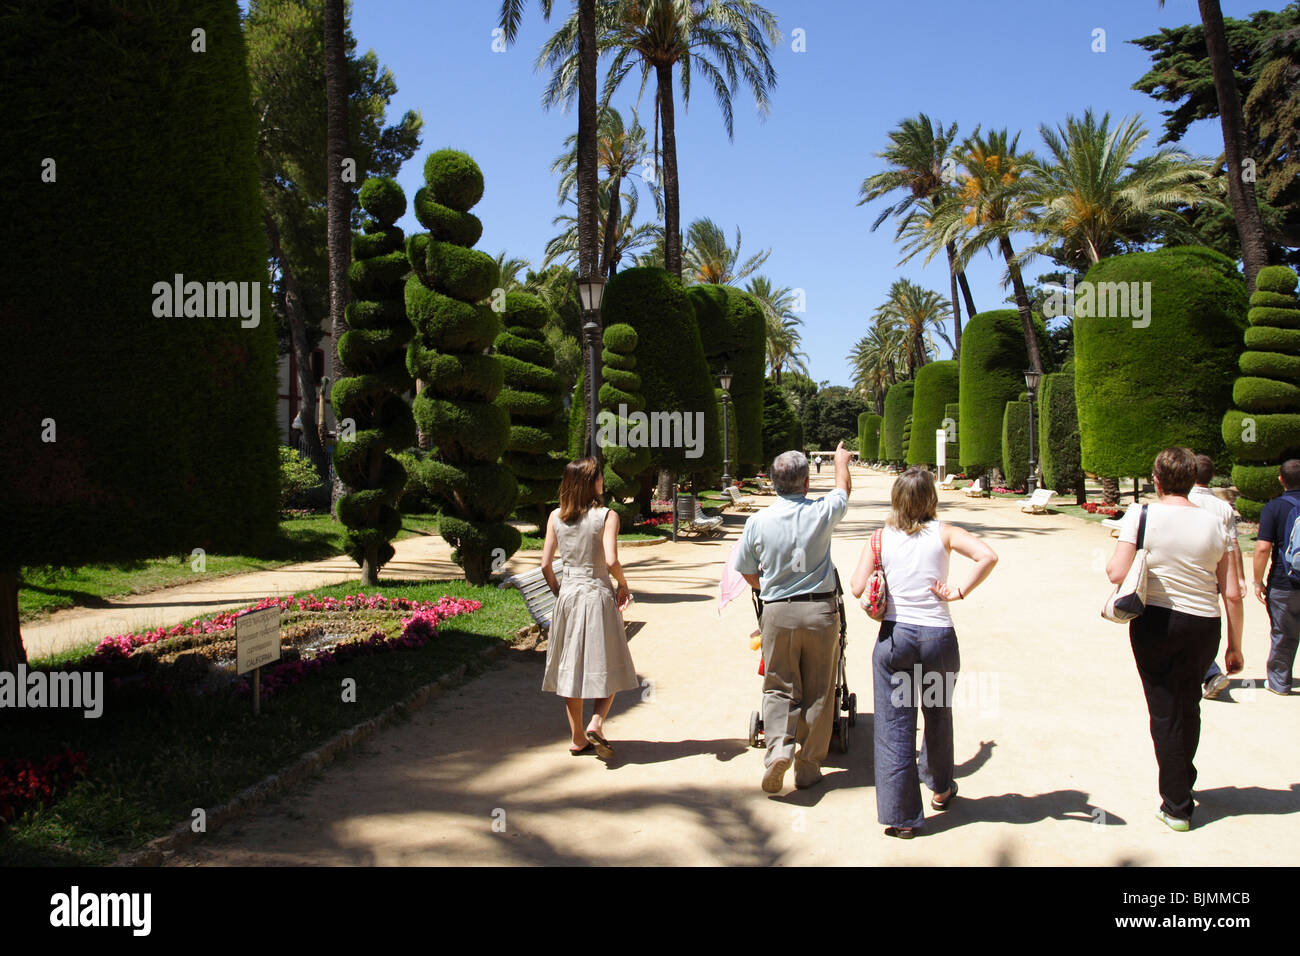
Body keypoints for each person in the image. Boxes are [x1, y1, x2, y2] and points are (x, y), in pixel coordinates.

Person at [850, 466, 998, 839]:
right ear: (931, 497)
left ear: (896, 499)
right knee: (937, 714)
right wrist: (958, 591)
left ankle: (902, 817)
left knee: (894, 724)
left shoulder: (880, 539)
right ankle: (940, 786)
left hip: (896, 639)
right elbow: (987, 556)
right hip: (937, 638)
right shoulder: (945, 533)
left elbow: (855, 587)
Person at [1106, 447, 1239, 831]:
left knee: (1164, 708)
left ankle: (1177, 804)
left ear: (1157, 480)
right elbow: (1231, 591)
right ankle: (1184, 779)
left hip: (1156, 622)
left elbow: (1117, 573)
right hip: (1204, 624)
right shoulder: (1218, 521)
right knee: (1189, 703)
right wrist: (1235, 644)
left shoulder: (1141, 514)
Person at [735, 442, 851, 793]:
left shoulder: (757, 522)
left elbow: (745, 570)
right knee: (820, 689)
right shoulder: (821, 512)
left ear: (772, 483)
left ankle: (778, 751)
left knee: (779, 685)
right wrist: (841, 461)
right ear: (805, 483)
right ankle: (809, 765)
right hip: (819, 611)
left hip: (777, 611)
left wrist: (767, 589)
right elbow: (843, 491)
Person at [540, 457, 638, 759]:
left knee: (570, 666)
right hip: (596, 594)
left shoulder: (555, 516)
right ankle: (597, 721)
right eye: (598, 476)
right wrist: (622, 584)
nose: (602, 481)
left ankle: (578, 737)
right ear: (589, 482)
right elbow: (610, 560)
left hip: (569, 595)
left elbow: (545, 565)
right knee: (609, 660)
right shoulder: (607, 516)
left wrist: (562, 591)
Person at [1189, 454, 1246, 699]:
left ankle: (1210, 673)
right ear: (1212, 476)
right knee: (1203, 620)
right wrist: (1239, 577)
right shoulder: (1223, 507)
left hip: (1188, 570)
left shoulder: (1183, 499)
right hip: (1215, 571)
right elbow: (1233, 545)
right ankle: (1209, 673)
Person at [1252, 458, 1300, 696]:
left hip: (1284, 582)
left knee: (1284, 632)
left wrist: (1257, 581)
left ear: (1281, 479)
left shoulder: (1274, 507)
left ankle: (1280, 683)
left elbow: (1262, 548)